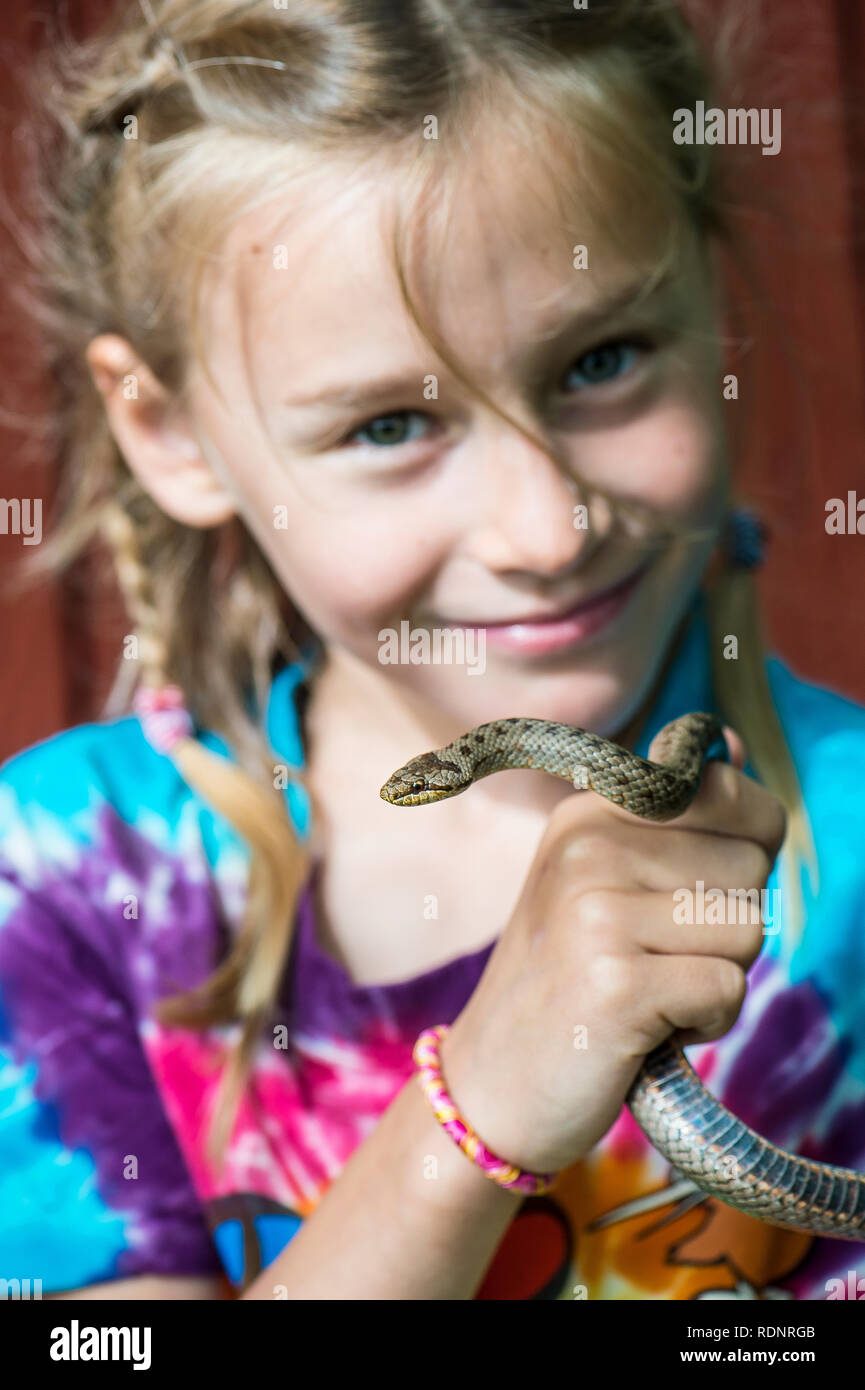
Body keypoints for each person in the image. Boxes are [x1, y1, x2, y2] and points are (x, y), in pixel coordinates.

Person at [2, 0, 864, 1302]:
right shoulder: (64, 880)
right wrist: (474, 1109)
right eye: (390, 423)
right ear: (167, 429)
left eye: (604, 358)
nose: (545, 525)